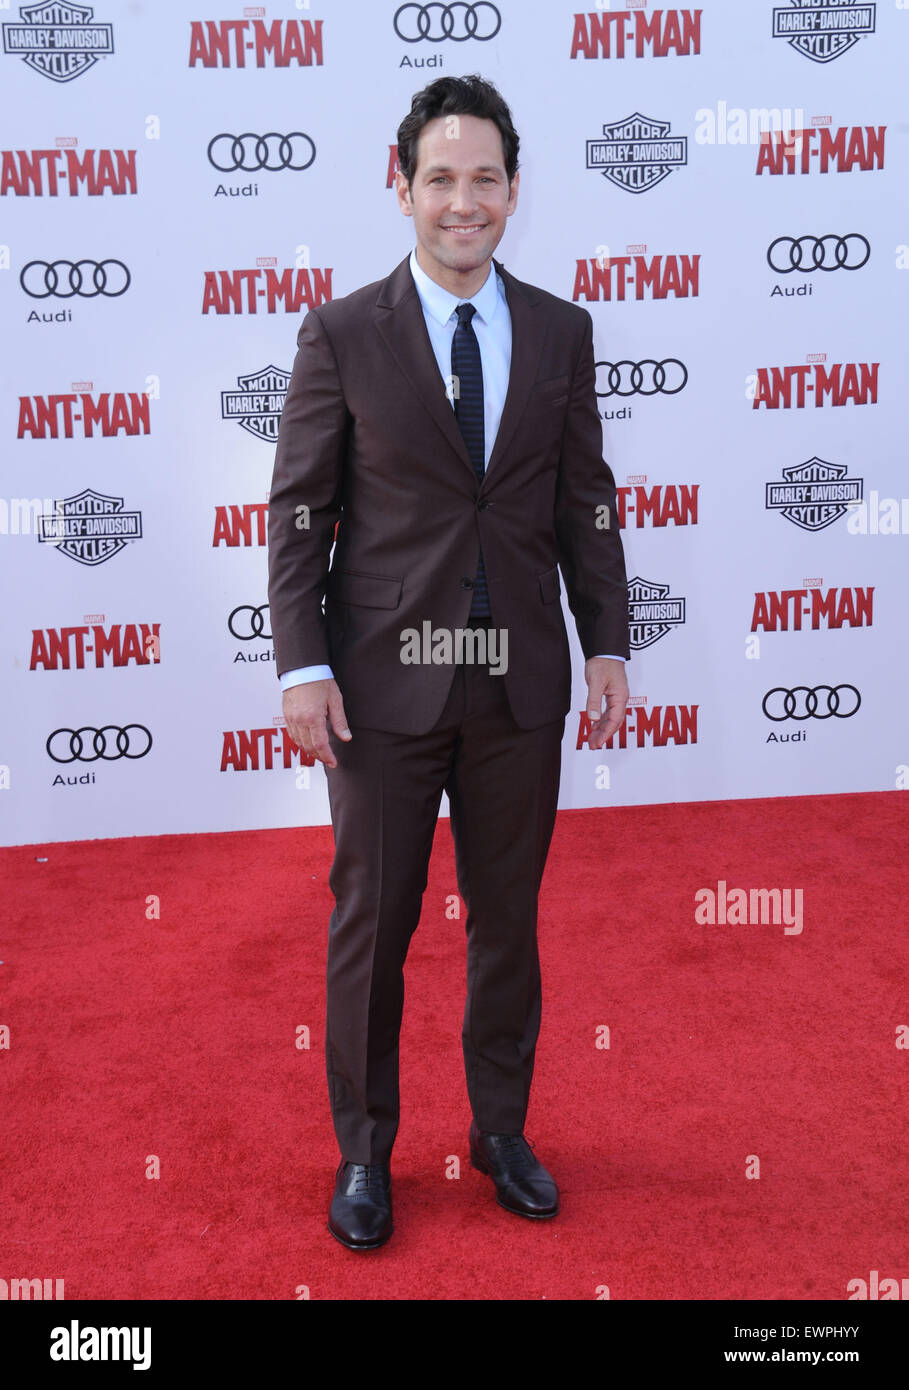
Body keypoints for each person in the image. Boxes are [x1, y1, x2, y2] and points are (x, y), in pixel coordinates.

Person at [267, 74, 630, 1250]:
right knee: (374, 920)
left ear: (514, 192)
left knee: (508, 921)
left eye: (484, 180)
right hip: (383, 678)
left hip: (518, 679)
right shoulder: (339, 333)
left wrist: (610, 638)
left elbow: (586, 500)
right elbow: (297, 514)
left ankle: (502, 1129)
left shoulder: (565, 331)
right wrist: (299, 666)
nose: (461, 202)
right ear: (401, 185)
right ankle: (365, 1152)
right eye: (440, 179)